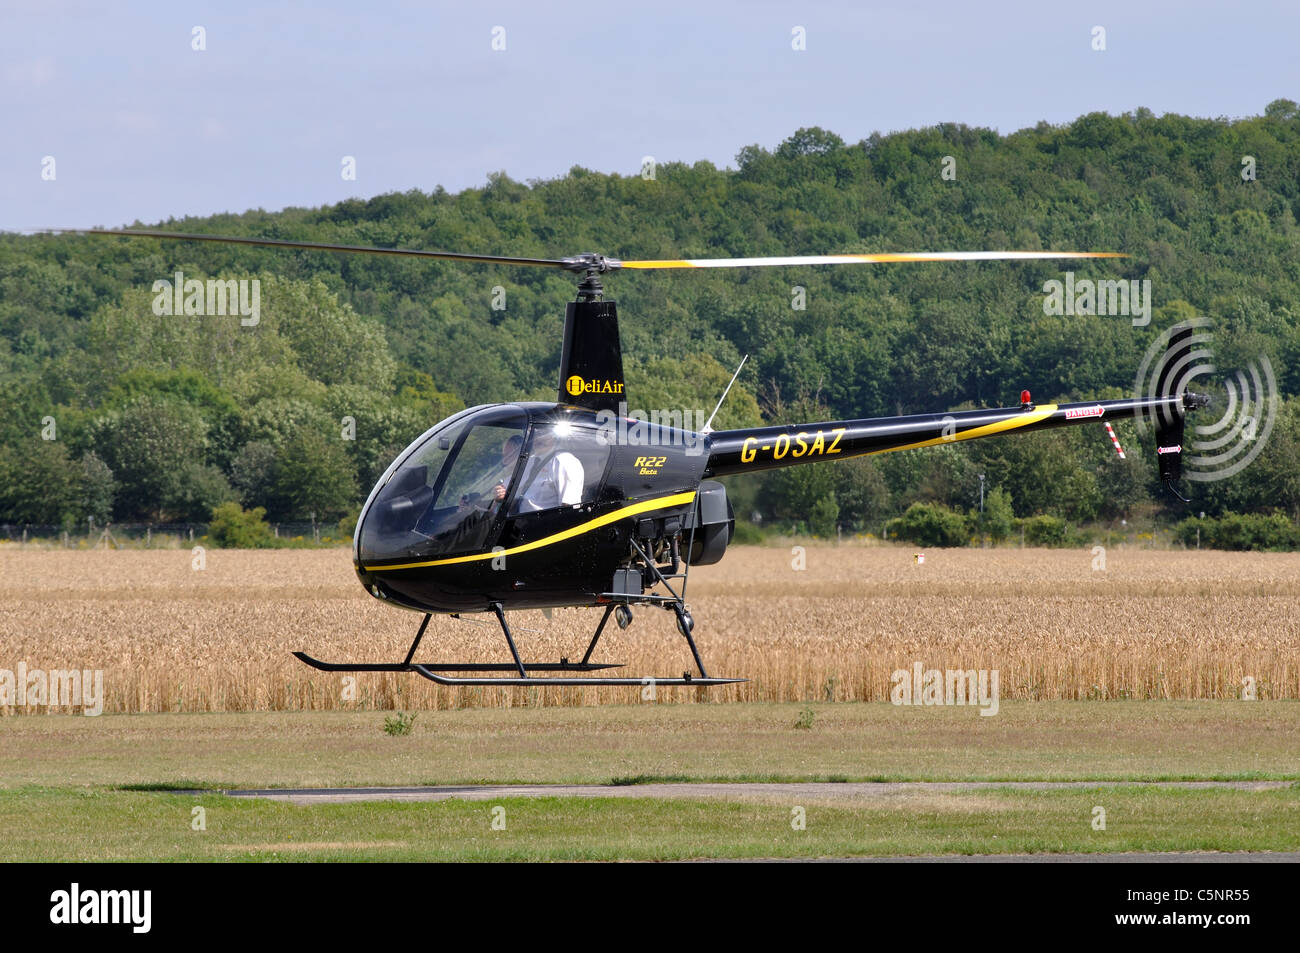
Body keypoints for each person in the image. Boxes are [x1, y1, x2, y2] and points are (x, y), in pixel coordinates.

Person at [514, 428, 584, 512]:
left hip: (541, 519)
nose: (538, 438)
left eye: (542, 433)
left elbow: (569, 507)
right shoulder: (529, 461)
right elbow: (511, 489)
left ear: (554, 436)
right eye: (533, 433)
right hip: (516, 516)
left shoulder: (565, 461)